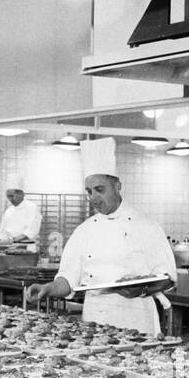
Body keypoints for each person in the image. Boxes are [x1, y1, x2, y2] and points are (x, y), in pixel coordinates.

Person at [24, 138, 177, 335]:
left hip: (135, 318)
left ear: (117, 186)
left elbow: (168, 278)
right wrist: (48, 288)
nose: (93, 198)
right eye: (89, 191)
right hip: (94, 318)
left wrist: (142, 288)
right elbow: (68, 279)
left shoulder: (146, 226)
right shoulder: (85, 230)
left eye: (99, 190)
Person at [0, 173, 42, 244]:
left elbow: (31, 231)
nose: (10, 199)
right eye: (8, 196)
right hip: (9, 245)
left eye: (12, 196)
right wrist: (1, 240)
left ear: (21, 194)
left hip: (26, 246)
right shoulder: (9, 211)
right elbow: (2, 231)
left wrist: (13, 240)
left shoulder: (31, 207)